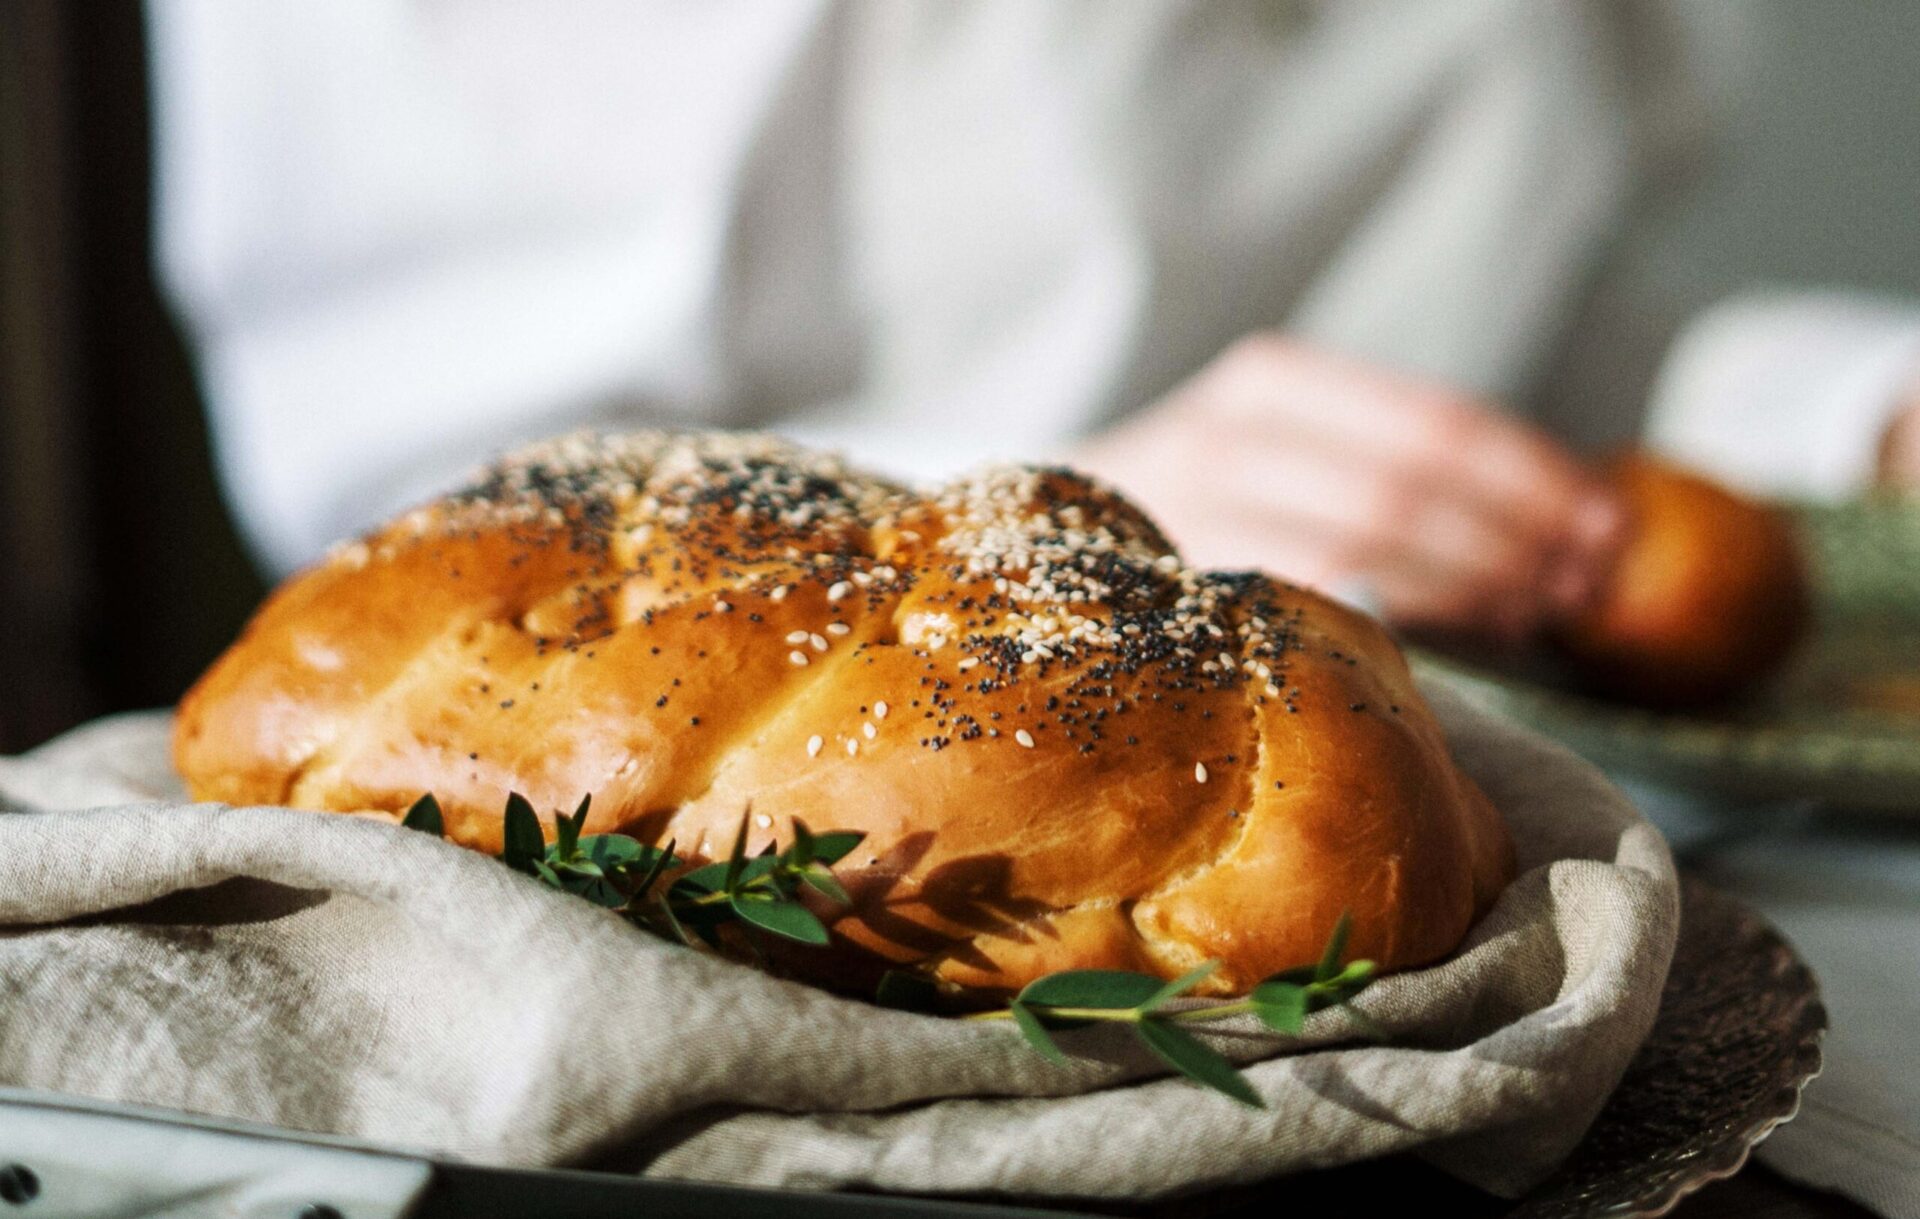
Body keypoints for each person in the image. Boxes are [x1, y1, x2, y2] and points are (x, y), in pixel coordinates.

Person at [147, 0, 1920, 641]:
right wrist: (1028, 511)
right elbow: (418, 525)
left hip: (1494, 732)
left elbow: (1503, 330)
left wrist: (1858, 407)